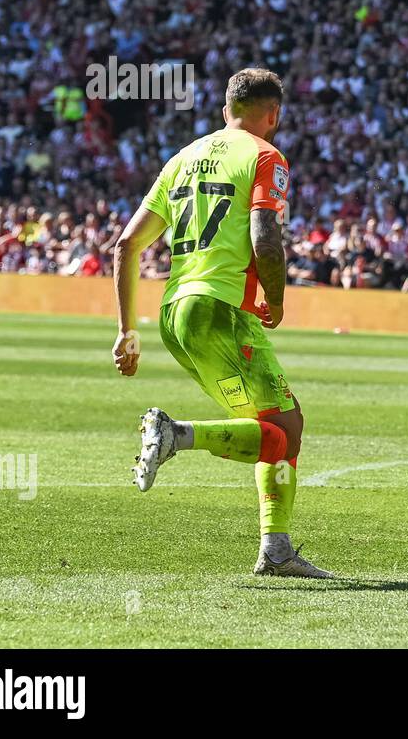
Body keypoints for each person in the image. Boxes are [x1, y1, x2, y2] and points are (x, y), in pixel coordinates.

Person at [111, 68, 332, 578]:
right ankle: (176, 435)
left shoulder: (183, 158)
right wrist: (275, 300)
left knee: (276, 430)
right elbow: (266, 238)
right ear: (272, 114)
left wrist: (126, 329)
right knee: (287, 429)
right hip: (222, 309)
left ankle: (275, 549)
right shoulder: (265, 156)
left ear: (224, 109)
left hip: (175, 315)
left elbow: (126, 245)